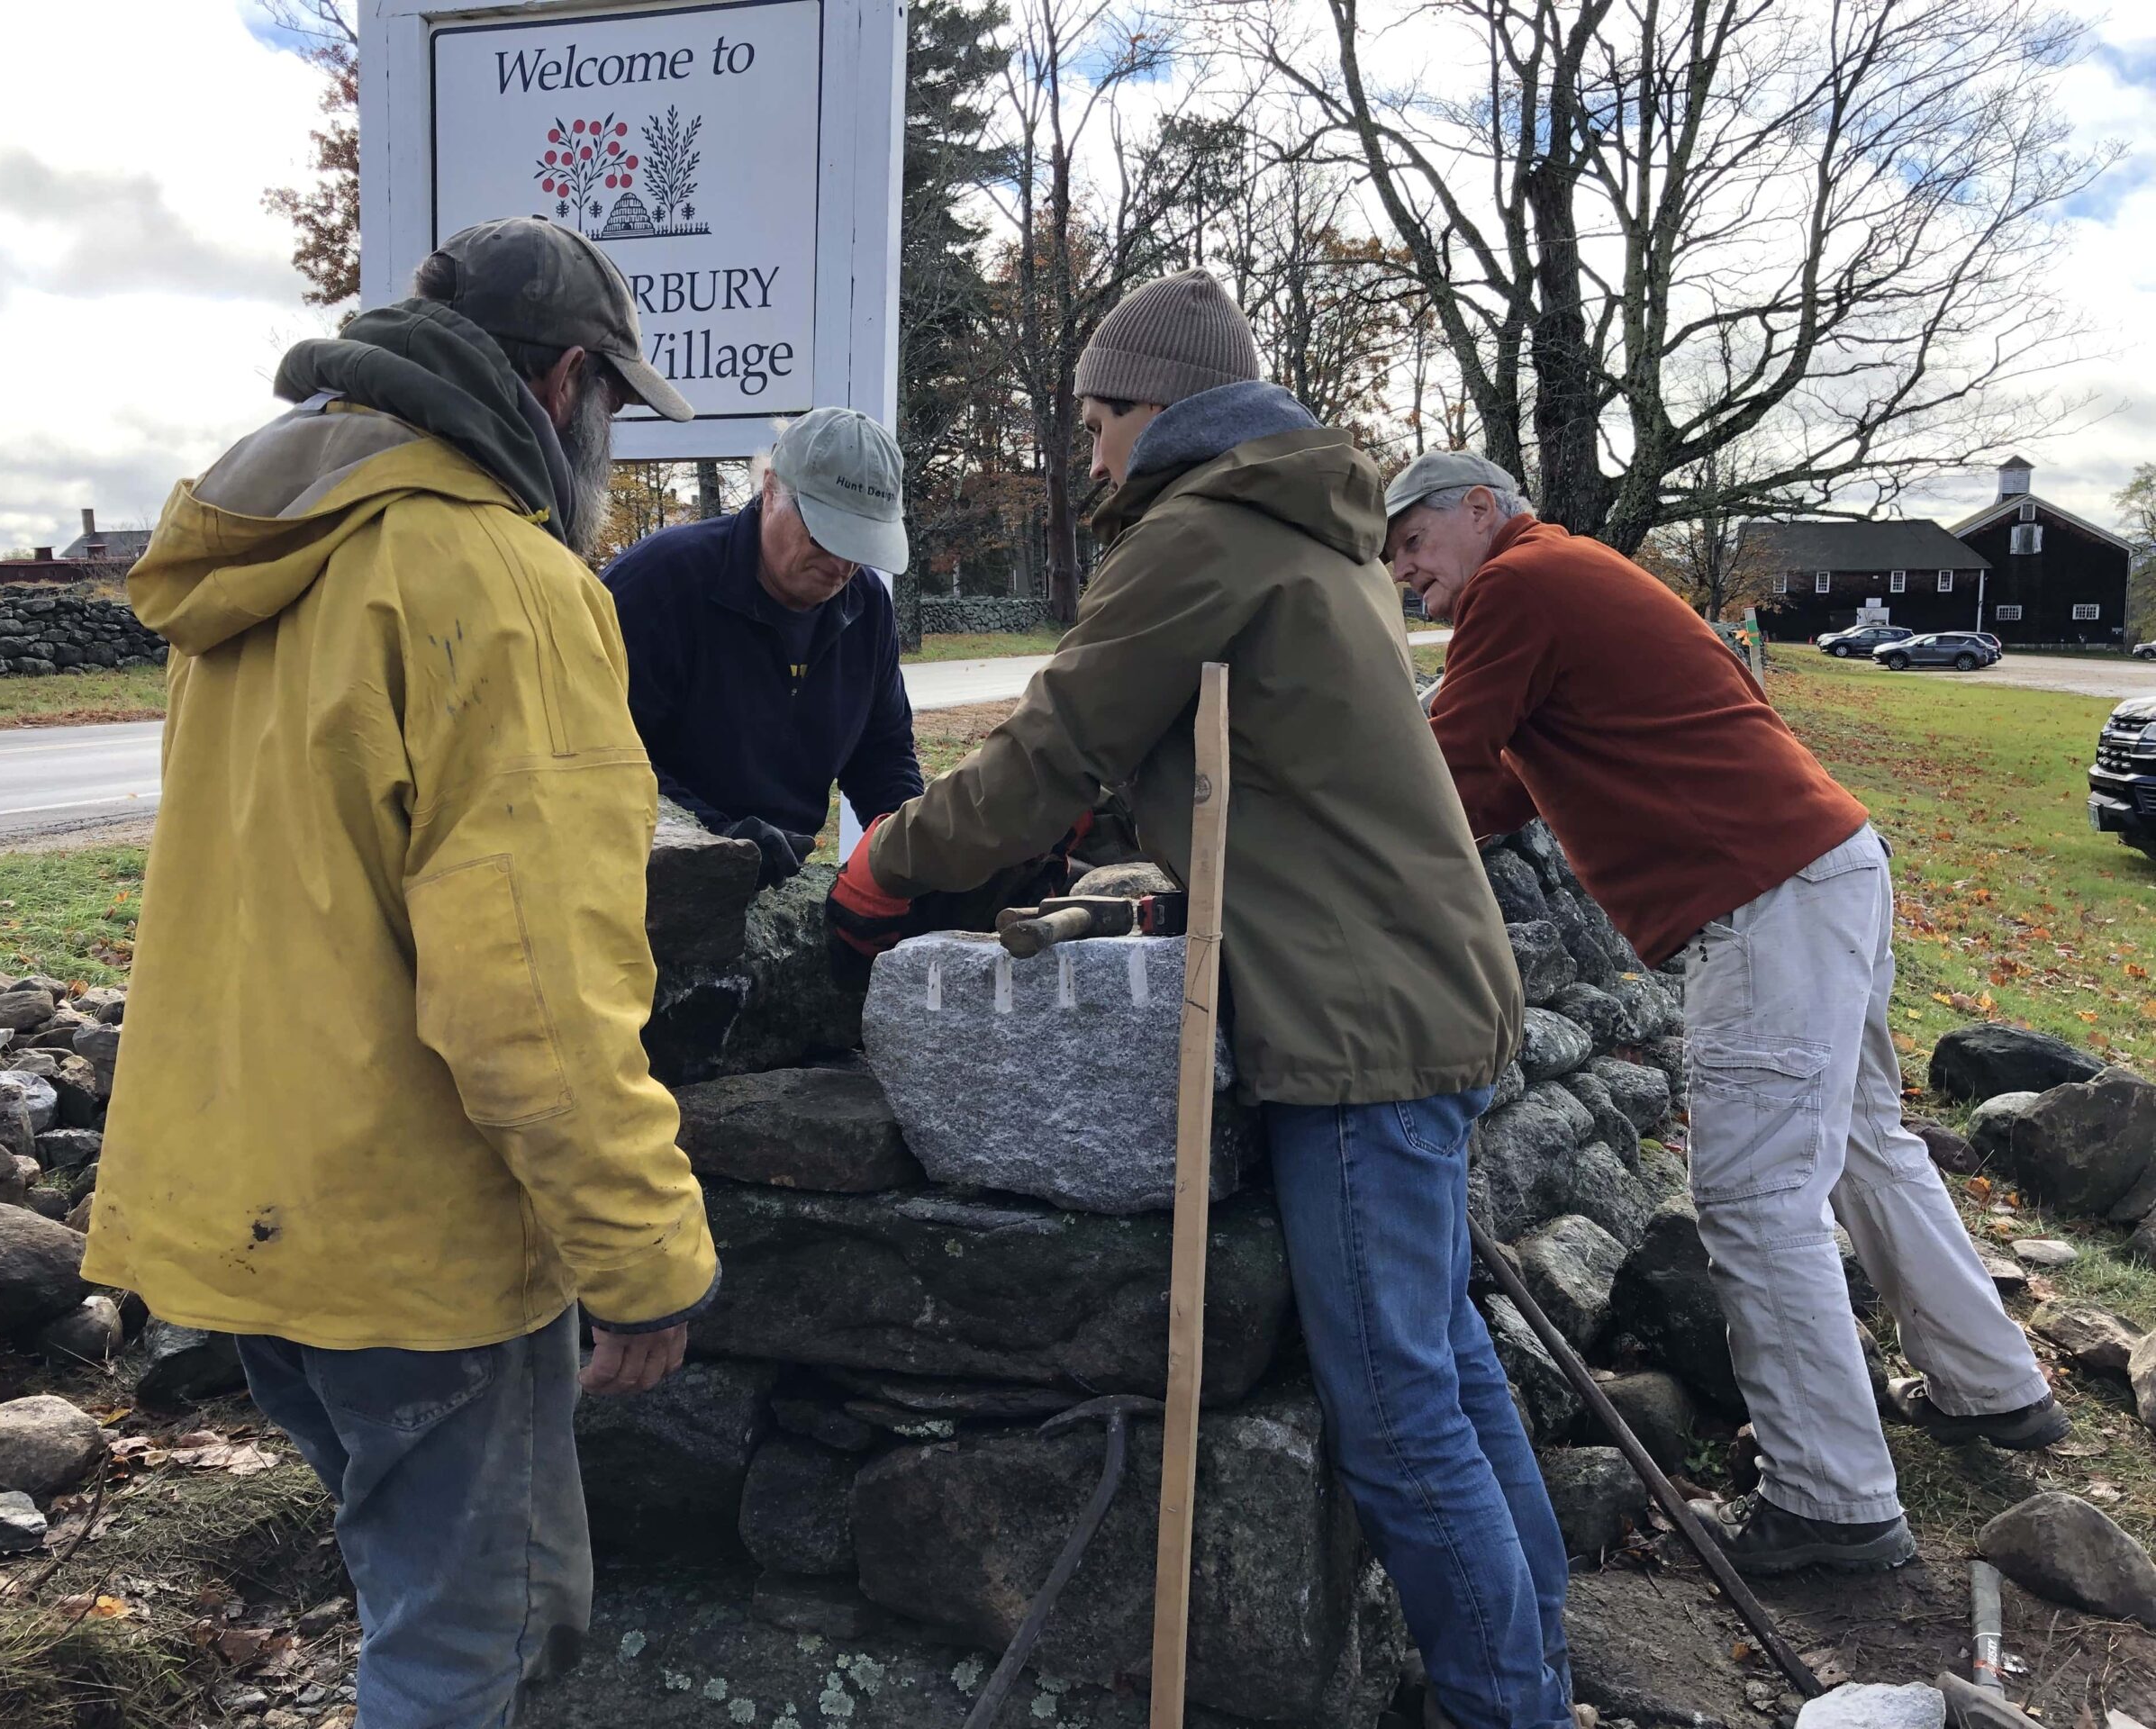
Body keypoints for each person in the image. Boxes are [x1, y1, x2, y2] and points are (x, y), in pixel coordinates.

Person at [826, 269, 1578, 1729]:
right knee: (1449, 1366)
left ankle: (1511, 1709)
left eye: (1097, 423)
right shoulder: (1309, 529)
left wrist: (881, 870)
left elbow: (1050, 745)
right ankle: (1531, 1665)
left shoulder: (1205, 532)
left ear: (1144, 410)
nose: (1090, 457)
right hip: (1418, 982)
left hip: (1360, 1021)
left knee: (1400, 1407)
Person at [83, 214, 720, 1728]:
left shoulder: (262, 569)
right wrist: (644, 1260)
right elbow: (534, 993)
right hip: (406, 1237)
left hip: (245, 1212)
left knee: (452, 1601)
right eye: (613, 408)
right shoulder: (501, 582)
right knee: (470, 1649)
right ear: (567, 384)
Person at [1404, 450, 2067, 1578]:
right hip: (1822, 863)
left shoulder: (1520, 581)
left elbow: (1443, 756)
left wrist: (1328, 832)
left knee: (1756, 1196)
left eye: (1412, 543)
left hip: (1761, 895)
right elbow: (1504, 781)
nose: (1406, 574)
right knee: (1865, 1143)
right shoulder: (1566, 578)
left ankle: (1831, 1503)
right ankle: (1989, 1385)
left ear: (1480, 510)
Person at [601, 407, 922, 886]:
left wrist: (916, 857)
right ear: (770, 489)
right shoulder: (659, 586)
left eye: (861, 544)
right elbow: (603, 758)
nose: (841, 564)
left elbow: (883, 756)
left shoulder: (866, 605)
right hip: (645, 872)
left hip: (780, 871)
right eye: (824, 535)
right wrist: (718, 836)